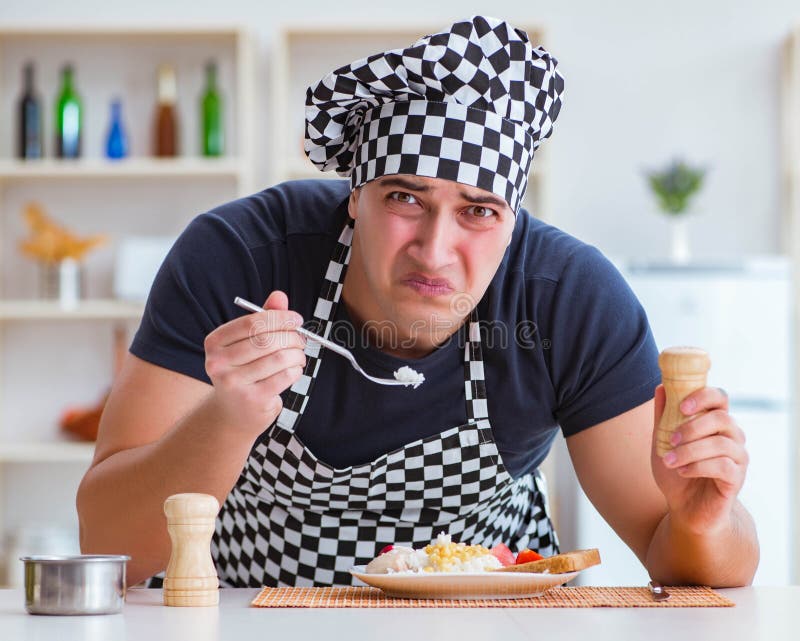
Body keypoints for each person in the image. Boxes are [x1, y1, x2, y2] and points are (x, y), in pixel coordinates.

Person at [77, 16, 758, 588]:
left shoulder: (567, 298)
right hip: (242, 616)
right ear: (355, 195)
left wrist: (705, 521)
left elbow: (682, 564)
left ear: (514, 220)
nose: (435, 250)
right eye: (404, 197)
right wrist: (228, 416)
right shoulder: (240, 257)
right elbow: (107, 544)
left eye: (479, 211)